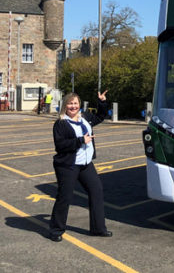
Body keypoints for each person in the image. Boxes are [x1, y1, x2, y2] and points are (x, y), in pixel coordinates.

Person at [48, 91, 112, 242]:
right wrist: (81, 140)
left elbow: (100, 116)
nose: (73, 106)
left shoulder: (85, 118)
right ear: (65, 105)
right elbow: (60, 145)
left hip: (85, 164)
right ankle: (56, 230)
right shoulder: (61, 123)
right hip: (68, 165)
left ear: (80, 105)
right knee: (65, 197)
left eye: (75, 103)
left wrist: (102, 102)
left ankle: (98, 228)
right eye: (70, 103)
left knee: (96, 191)